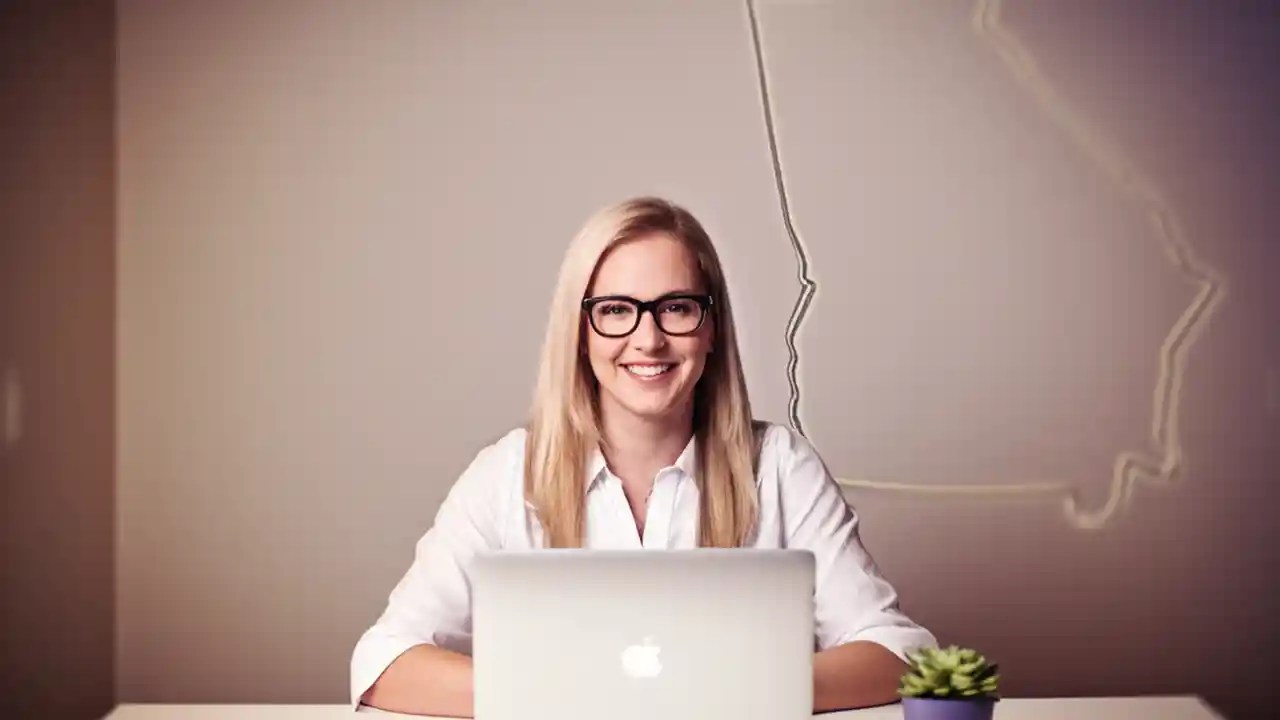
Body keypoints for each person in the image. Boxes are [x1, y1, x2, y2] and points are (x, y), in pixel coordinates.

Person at [350, 197, 937, 716]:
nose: (648, 339)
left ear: (712, 328)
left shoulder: (780, 466)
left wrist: (729, 688)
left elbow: (899, 652)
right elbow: (385, 662)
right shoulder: (508, 473)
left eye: (676, 307)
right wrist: (571, 694)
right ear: (579, 332)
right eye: (614, 310)